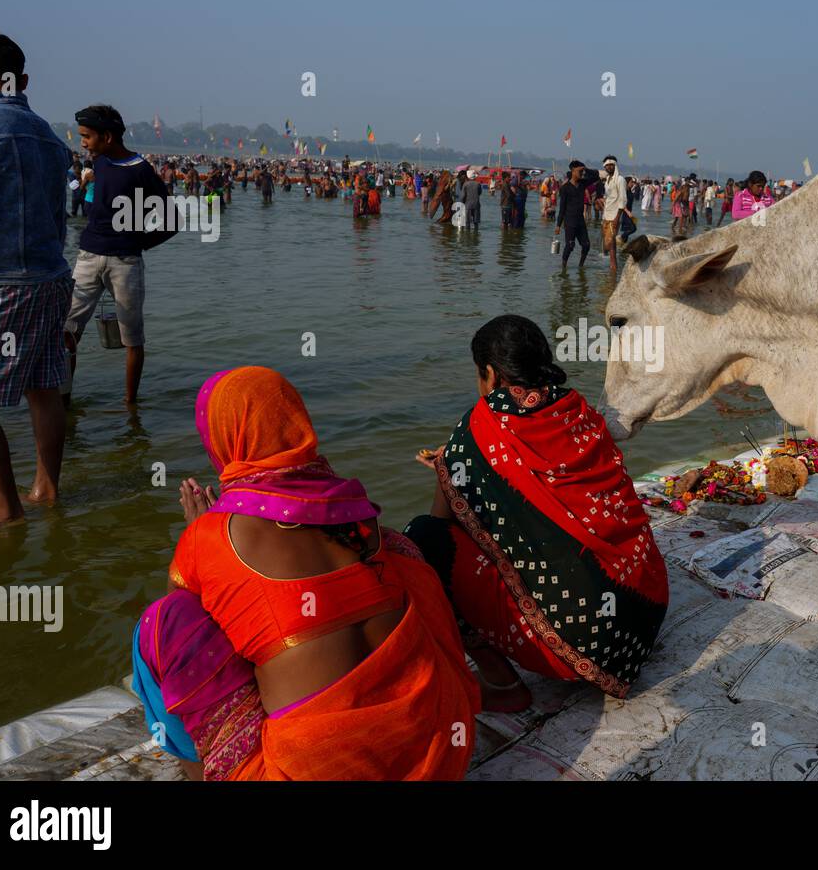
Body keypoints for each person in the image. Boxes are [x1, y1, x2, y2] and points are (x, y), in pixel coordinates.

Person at [138, 366, 480, 779]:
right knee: (402, 554)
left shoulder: (210, 535)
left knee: (165, 621)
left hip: (310, 769)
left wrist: (200, 529)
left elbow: (188, 619)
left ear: (224, 440)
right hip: (436, 760)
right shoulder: (358, 512)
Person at [407, 316, 668, 712]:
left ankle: (502, 683)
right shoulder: (578, 409)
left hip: (581, 644)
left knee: (422, 540)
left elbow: (443, 519)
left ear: (491, 374)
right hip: (639, 620)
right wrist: (460, 463)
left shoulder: (480, 426)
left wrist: (450, 472)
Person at [0, 27, 74, 534]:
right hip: (53, 276)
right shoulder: (50, 138)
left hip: (3, 283)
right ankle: (45, 489)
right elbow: (59, 217)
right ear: (21, 80)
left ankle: (4, 511)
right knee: (43, 385)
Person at [62, 104, 177, 406]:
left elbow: (172, 219)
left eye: (87, 136)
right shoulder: (97, 163)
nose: (83, 142)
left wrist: (140, 243)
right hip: (87, 256)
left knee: (132, 337)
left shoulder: (140, 170)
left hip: (126, 262)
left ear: (108, 137)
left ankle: (130, 404)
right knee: (66, 332)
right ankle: (63, 402)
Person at [555, 161, 596, 272]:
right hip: (569, 221)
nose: (582, 173)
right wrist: (558, 225)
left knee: (586, 245)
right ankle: (563, 267)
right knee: (570, 246)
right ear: (572, 171)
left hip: (580, 221)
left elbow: (596, 175)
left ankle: (581, 266)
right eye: (579, 171)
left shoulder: (583, 184)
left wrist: (586, 168)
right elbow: (562, 208)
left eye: (582, 171)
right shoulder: (565, 188)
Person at [598, 156, 630, 281]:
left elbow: (623, 199)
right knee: (607, 246)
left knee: (611, 245)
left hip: (614, 217)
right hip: (606, 215)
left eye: (611, 165)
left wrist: (618, 217)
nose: (609, 167)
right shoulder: (607, 180)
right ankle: (613, 269)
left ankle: (614, 272)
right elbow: (609, 198)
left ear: (615, 166)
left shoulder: (620, 179)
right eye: (607, 165)